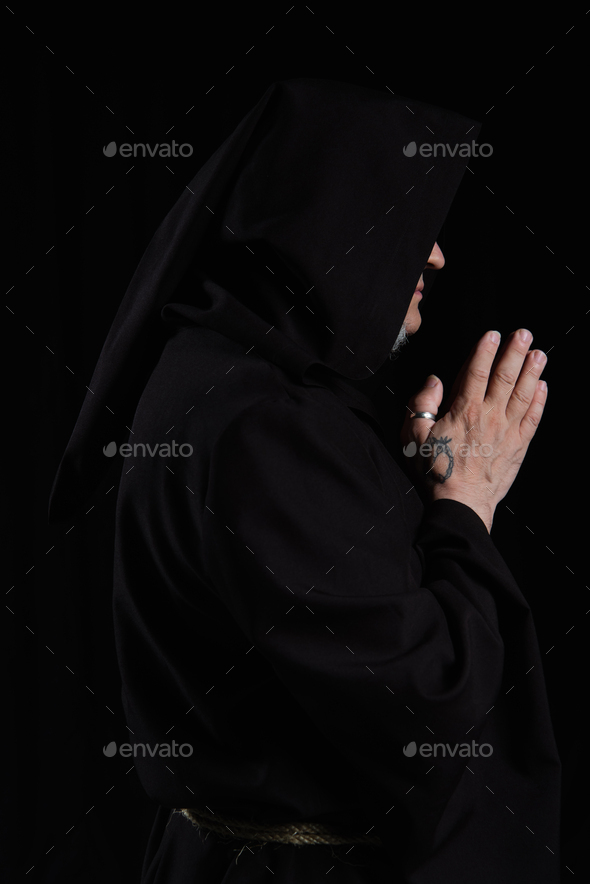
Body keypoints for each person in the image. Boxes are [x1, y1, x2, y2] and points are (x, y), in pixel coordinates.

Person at [49, 78, 560, 883]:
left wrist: (418, 493)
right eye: (411, 225)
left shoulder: (222, 376)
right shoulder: (262, 426)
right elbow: (429, 699)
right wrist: (469, 499)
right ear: (332, 223)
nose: (434, 254)